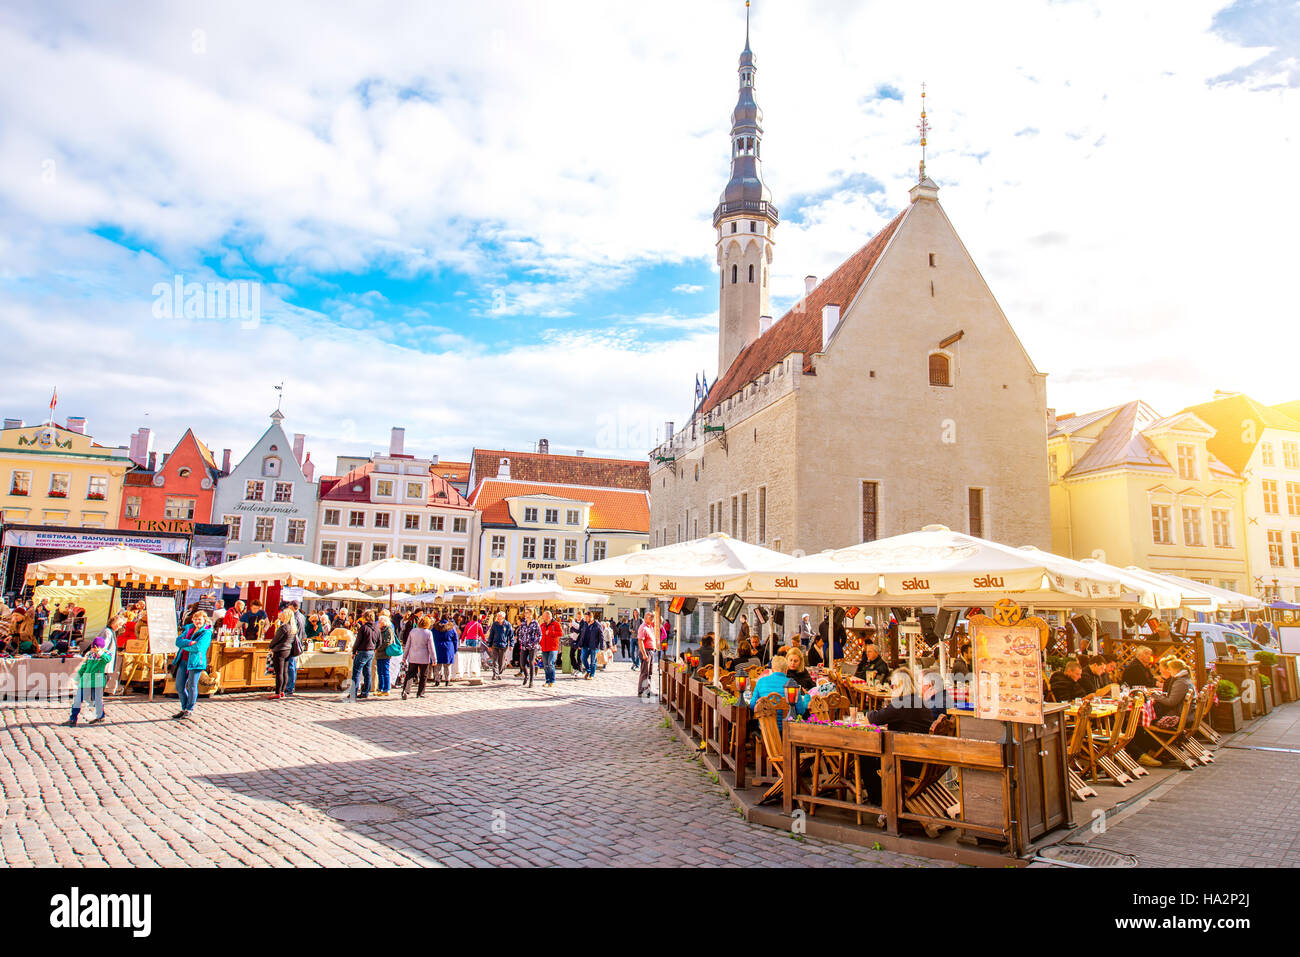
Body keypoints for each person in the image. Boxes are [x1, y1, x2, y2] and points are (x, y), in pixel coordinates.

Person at [1126, 657, 1197, 767]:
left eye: (1170, 669)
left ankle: (1147, 752)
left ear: (1175, 670)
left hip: (1177, 719)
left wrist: (1155, 696)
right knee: (1146, 721)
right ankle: (1154, 751)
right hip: (1186, 717)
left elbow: (1171, 702)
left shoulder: (1180, 682)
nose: (1168, 671)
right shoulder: (1185, 680)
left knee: (1142, 724)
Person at [67, 630, 115, 726]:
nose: (93, 649)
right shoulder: (89, 655)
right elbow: (84, 667)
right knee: (77, 699)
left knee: (96, 700)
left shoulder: (106, 654)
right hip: (86, 680)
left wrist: (100, 653)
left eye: (95, 647)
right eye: (93, 647)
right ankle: (73, 718)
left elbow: (107, 659)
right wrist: (77, 678)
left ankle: (100, 716)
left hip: (97, 680)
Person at [748, 655, 809, 729]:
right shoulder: (792, 685)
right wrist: (807, 698)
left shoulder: (761, 681)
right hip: (787, 728)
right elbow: (801, 711)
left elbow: (752, 706)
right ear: (786, 670)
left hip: (765, 728)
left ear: (772, 670)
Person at [172, 610, 213, 719]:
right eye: (195, 619)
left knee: (192, 685)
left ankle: (189, 709)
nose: (197, 622)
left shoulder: (206, 632)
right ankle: (184, 707)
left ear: (204, 620)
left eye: (199, 619)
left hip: (195, 662)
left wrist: (184, 645)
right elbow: (178, 641)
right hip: (183, 660)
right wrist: (189, 643)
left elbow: (199, 647)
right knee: (179, 686)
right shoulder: (189, 628)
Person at [401, 615, 435, 699]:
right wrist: (434, 659)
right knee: (423, 675)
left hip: (413, 656)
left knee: (410, 674)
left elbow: (408, 645)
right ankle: (420, 692)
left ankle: (406, 690)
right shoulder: (428, 633)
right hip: (423, 657)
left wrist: (404, 657)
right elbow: (431, 647)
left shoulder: (413, 631)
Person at [350, 610, 380, 700]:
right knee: (367, 672)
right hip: (371, 651)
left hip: (363, 651)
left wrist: (354, 651)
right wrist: (375, 648)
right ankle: (365, 692)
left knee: (356, 672)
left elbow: (358, 641)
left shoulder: (364, 628)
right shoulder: (377, 628)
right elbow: (380, 641)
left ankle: (353, 693)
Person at [268, 608, 297, 699]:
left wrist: (270, 646)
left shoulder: (284, 627)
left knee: (279, 672)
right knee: (285, 672)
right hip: (288, 650)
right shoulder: (293, 627)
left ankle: (277, 692)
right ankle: (282, 691)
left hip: (280, 650)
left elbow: (276, 639)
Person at [516, 608, 541, 688]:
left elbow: (540, 634)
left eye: (527, 613)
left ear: (531, 614)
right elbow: (520, 633)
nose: (525, 614)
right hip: (524, 645)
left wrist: (535, 642)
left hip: (532, 646)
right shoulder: (523, 623)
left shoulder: (535, 623)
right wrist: (520, 640)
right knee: (522, 663)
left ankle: (531, 681)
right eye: (525, 613)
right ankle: (526, 675)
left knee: (531, 662)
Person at [432, 615, 459, 687]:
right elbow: (455, 639)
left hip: (437, 647)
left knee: (438, 666)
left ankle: (437, 680)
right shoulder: (451, 628)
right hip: (448, 647)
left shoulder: (435, 627)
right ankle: (447, 680)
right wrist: (455, 649)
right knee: (447, 666)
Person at [539, 610, 563, 688]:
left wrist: (551, 632)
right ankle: (547, 680)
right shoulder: (542, 625)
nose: (543, 618)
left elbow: (560, 634)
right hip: (544, 647)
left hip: (553, 647)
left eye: (544, 616)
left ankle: (552, 680)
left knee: (550, 663)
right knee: (545, 665)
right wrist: (540, 642)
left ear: (548, 616)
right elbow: (539, 635)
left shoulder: (556, 624)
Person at [636, 612, 658, 698]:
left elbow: (659, 621)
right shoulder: (643, 627)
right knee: (644, 672)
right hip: (646, 651)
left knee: (650, 672)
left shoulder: (650, 626)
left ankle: (648, 690)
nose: (652, 618)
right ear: (645, 618)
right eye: (650, 617)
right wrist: (644, 654)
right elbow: (640, 641)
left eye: (653, 617)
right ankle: (642, 691)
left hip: (651, 651)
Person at [486, 611, 513, 680]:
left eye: (499, 616)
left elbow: (511, 635)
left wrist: (511, 645)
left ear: (503, 617)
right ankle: (495, 674)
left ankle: (499, 673)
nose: (497, 618)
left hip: (503, 645)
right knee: (495, 660)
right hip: (495, 645)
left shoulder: (507, 625)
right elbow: (491, 635)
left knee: (501, 661)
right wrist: (489, 644)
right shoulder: (494, 625)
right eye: (497, 616)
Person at [578, 610, 602, 680]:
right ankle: (588, 670)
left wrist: (602, 647)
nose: (585, 619)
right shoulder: (585, 624)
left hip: (594, 645)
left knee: (593, 661)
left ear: (591, 617)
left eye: (586, 617)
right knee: (583, 658)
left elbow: (601, 636)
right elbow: (582, 634)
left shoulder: (597, 624)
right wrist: (580, 644)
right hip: (585, 644)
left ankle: (592, 674)